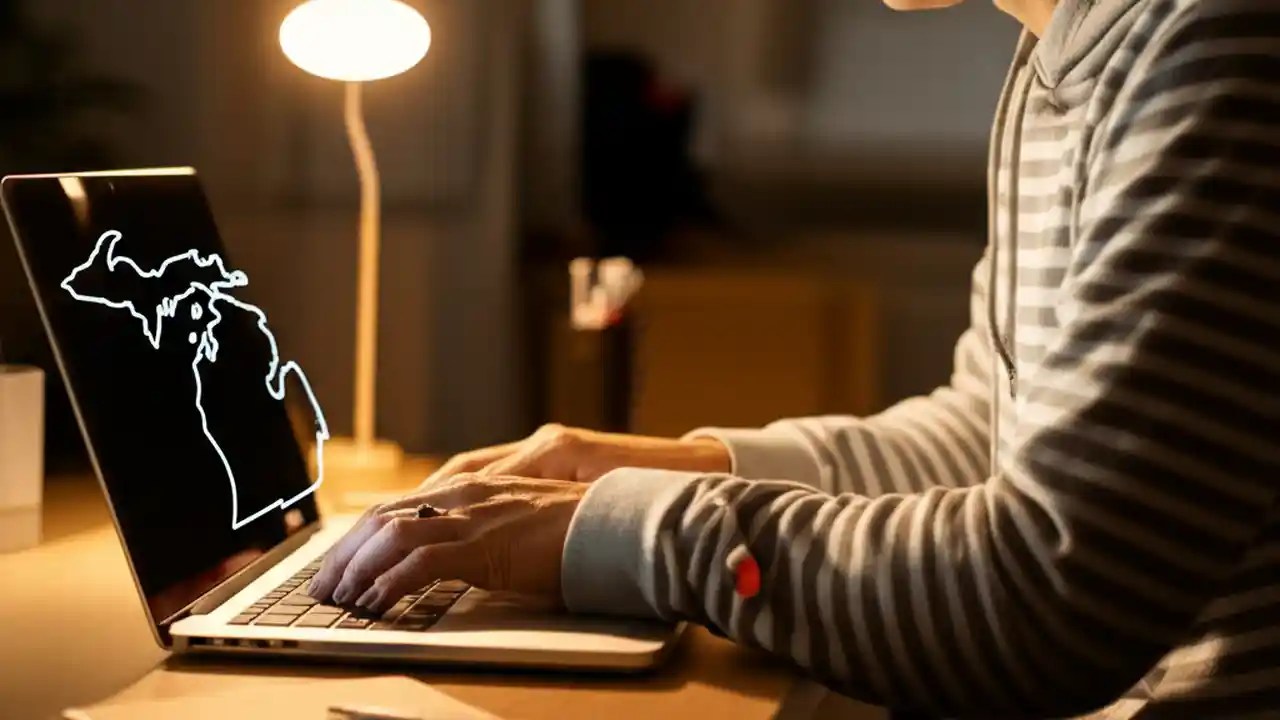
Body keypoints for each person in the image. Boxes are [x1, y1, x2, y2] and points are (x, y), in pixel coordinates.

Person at [307, 0, 1280, 716]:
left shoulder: (1212, 47)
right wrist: (680, 466)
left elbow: (1050, 602)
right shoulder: (1064, 52)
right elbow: (988, 433)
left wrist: (620, 534)